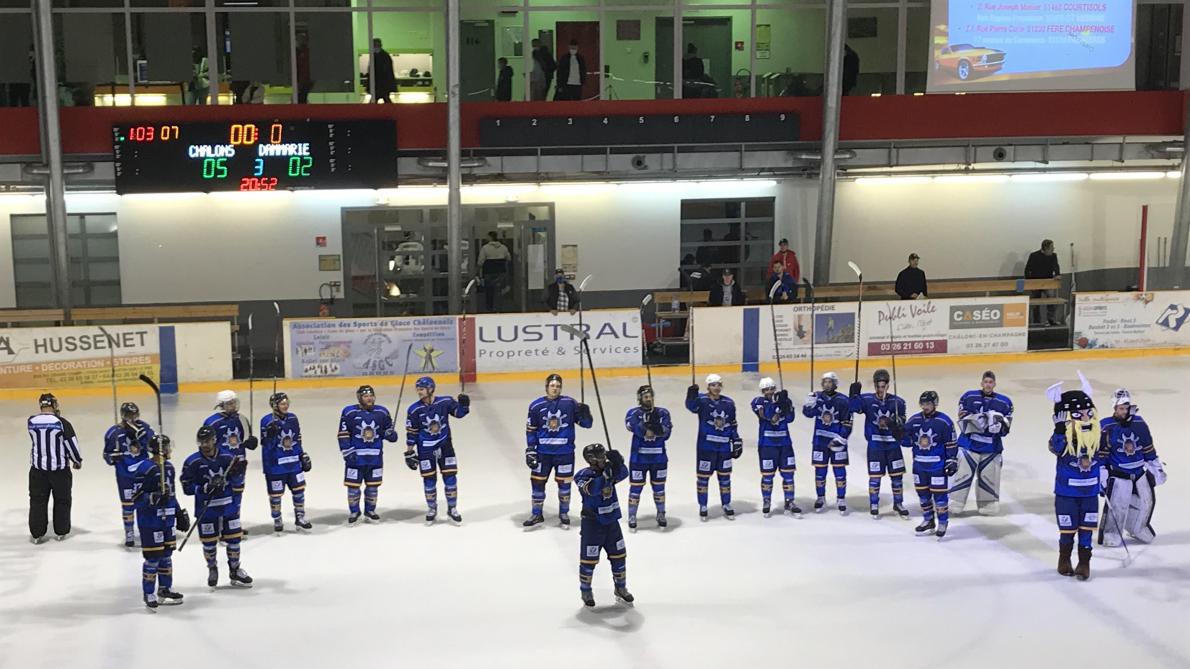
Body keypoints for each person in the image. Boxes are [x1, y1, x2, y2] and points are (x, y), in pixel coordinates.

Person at [1047, 380, 1109, 580]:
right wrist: (1058, 429)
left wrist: (1103, 476)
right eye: (1078, 414)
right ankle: (1064, 559)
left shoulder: (1099, 434)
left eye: (1087, 412)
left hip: (1089, 491)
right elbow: (1056, 449)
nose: (1084, 417)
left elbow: (1104, 455)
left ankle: (1084, 563)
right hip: (1067, 492)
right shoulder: (1062, 434)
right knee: (1068, 529)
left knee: (1086, 529)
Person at [181, 425, 251, 588]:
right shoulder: (192, 462)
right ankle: (212, 568)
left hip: (228, 506)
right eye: (202, 442)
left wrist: (237, 474)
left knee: (234, 539)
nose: (205, 445)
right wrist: (204, 488)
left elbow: (236, 482)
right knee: (209, 542)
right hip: (207, 509)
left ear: (214, 440)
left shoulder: (228, 457)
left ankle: (235, 569)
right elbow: (186, 487)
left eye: (208, 441)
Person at [524, 374, 593, 528]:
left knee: (565, 485)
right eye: (552, 385)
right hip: (543, 453)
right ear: (547, 387)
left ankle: (564, 513)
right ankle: (536, 513)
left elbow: (586, 425)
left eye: (558, 386)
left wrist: (586, 414)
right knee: (537, 483)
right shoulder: (536, 406)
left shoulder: (570, 403)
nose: (555, 388)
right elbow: (531, 430)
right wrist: (530, 449)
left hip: (565, 453)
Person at [1098, 389, 1165, 547]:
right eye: (1121, 408)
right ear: (1114, 408)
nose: (1124, 411)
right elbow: (1101, 453)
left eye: (1126, 407)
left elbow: (1147, 446)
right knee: (1118, 505)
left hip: (1140, 473)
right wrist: (1101, 471)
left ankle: (1138, 527)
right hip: (1119, 475)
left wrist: (1155, 465)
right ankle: (1111, 532)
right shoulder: (1107, 426)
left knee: (1146, 502)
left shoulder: (1139, 423)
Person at [130, 434, 189, 609]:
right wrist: (153, 497)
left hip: (167, 520)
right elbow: (135, 497)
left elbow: (172, 494)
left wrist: (178, 513)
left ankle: (165, 588)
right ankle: (148, 592)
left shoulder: (169, 468)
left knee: (166, 557)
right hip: (150, 521)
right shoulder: (145, 468)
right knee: (153, 558)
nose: (170, 450)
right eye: (168, 447)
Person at [404, 376, 470, 525]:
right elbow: (412, 432)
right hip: (425, 450)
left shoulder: (445, 402)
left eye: (421, 389)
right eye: (418, 389)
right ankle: (432, 509)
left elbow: (459, 414)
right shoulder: (414, 409)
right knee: (429, 480)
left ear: (431, 389)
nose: (419, 392)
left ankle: (452, 509)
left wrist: (464, 405)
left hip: (445, 447)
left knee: (450, 477)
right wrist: (409, 452)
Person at [574, 443, 633, 607]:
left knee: (619, 557)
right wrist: (605, 476)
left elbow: (624, 473)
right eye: (600, 455)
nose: (603, 458)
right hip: (593, 525)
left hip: (612, 524)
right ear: (591, 459)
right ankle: (586, 591)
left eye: (604, 454)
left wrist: (618, 462)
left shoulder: (610, 471)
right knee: (588, 561)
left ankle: (620, 588)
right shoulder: (582, 476)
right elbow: (591, 489)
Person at [951, 371, 1013, 515]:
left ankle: (988, 504)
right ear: (981, 383)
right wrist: (979, 419)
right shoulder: (969, 397)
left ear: (994, 384)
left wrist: (1000, 426)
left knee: (989, 476)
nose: (988, 385)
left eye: (991, 382)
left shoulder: (1005, 402)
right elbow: (962, 419)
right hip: (969, 445)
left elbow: (1006, 428)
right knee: (963, 474)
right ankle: (956, 501)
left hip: (991, 448)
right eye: (986, 382)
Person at [849, 369, 909, 519]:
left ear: (888, 385)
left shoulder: (898, 402)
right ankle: (874, 504)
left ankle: (898, 503)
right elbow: (854, 408)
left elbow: (902, 424)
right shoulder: (868, 400)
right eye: (877, 386)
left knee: (897, 477)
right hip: (875, 446)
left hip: (893, 446)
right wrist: (854, 394)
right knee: (875, 477)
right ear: (874, 385)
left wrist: (894, 423)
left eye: (883, 386)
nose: (880, 390)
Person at [338, 384, 400, 523]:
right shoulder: (349, 412)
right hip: (355, 458)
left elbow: (390, 434)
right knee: (353, 487)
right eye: (366, 396)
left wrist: (391, 434)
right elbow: (343, 433)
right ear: (360, 398)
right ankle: (354, 512)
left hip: (375, 457)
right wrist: (347, 451)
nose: (369, 398)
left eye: (371, 396)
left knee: (373, 486)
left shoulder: (382, 412)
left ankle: (370, 510)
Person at [685, 373, 743, 521]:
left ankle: (726, 503)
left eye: (718, 385)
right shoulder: (702, 400)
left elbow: (732, 424)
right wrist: (691, 395)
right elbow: (691, 407)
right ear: (708, 387)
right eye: (713, 385)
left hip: (723, 447)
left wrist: (736, 440)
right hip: (706, 447)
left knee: (725, 478)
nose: (716, 388)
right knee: (703, 479)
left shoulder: (729, 403)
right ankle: (703, 505)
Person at [902, 391, 958, 538]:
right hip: (919, 466)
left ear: (935, 404)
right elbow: (906, 442)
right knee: (923, 495)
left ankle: (942, 522)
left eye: (928, 404)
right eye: (923, 404)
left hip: (937, 466)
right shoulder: (914, 421)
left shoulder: (944, 421)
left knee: (939, 496)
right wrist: (897, 431)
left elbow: (951, 443)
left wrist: (952, 460)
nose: (925, 407)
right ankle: (928, 520)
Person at [27, 393, 82, 543]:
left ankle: (37, 533)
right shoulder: (62, 423)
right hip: (60, 471)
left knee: (37, 501)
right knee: (62, 500)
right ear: (54, 404)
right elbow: (71, 444)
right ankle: (61, 530)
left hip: (37, 470)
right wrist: (77, 460)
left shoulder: (31, 421)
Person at [203, 390, 257, 528]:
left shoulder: (243, 419)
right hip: (222, 466)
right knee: (222, 497)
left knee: (237, 495)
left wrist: (251, 442)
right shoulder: (212, 422)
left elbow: (246, 440)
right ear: (221, 405)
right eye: (229, 403)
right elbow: (206, 446)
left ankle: (234, 525)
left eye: (234, 402)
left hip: (239, 464)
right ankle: (221, 527)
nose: (233, 405)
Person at [103, 401, 153, 547]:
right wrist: (113, 457)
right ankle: (129, 532)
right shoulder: (114, 433)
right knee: (128, 505)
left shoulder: (144, 428)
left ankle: (145, 530)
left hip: (143, 473)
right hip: (125, 475)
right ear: (124, 416)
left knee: (145, 503)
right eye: (130, 416)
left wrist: (145, 438)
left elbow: (156, 446)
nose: (133, 418)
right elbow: (107, 455)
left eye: (135, 415)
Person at [261, 392, 312, 533]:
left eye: (286, 403)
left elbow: (297, 440)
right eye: (282, 403)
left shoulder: (293, 418)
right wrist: (269, 436)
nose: (286, 405)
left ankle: (300, 517)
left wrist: (302, 455)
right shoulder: (267, 421)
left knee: (299, 490)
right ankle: (277, 520)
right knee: (275, 495)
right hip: (275, 466)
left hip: (294, 464)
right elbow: (266, 445)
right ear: (274, 406)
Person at [802, 372, 852, 514]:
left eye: (830, 382)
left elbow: (847, 422)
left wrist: (842, 438)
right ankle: (820, 498)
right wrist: (808, 404)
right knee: (820, 471)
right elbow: (808, 414)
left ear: (835, 383)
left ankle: (841, 498)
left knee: (839, 471)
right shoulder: (816, 397)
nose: (827, 384)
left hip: (837, 442)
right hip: (819, 441)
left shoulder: (843, 400)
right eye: (825, 381)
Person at [624, 385, 672, 530]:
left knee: (659, 488)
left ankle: (661, 513)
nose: (649, 399)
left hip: (659, 458)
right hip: (639, 458)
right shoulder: (633, 413)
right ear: (640, 398)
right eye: (645, 396)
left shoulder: (662, 413)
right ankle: (632, 515)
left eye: (651, 396)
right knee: (635, 488)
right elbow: (636, 429)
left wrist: (657, 426)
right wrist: (646, 426)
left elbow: (667, 433)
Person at [751, 378, 800, 517]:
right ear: (762, 391)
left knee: (789, 474)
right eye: (766, 390)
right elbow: (767, 416)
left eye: (772, 388)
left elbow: (790, 418)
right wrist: (777, 406)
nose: (769, 392)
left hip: (785, 444)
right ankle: (767, 500)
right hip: (767, 445)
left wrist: (786, 405)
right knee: (768, 476)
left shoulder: (783, 401)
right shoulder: (758, 402)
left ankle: (789, 501)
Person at [1025, 239, 1062, 326]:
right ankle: (1036, 321)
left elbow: (1056, 267)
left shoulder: (1053, 256)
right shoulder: (1034, 256)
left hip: (1048, 282)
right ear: (1045, 248)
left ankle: (1051, 319)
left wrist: (1057, 274)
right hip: (1035, 283)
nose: (1053, 249)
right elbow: (1027, 269)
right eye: (1052, 248)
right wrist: (1029, 282)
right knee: (1035, 303)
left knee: (1051, 299)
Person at [477, 231, 511, 312]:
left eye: (487, 237)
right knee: (499, 291)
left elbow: (480, 262)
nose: (486, 238)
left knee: (489, 291)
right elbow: (509, 258)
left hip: (489, 272)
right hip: (501, 272)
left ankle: (490, 308)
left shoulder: (485, 248)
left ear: (490, 237)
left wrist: (477, 271)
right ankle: (499, 308)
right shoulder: (504, 247)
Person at [370, 38, 397, 103]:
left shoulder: (378, 56)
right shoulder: (384, 55)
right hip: (382, 85)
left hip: (381, 84)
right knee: (386, 100)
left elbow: (383, 71)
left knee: (375, 101)